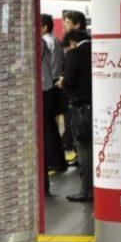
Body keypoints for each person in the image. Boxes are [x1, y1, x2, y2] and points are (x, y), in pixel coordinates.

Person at [58, 13, 93, 204]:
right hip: (97, 106)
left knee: (85, 149)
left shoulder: (74, 54)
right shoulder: (97, 50)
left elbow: (70, 81)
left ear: (71, 43)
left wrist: (63, 82)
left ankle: (87, 190)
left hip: (80, 108)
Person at [39, 14, 65, 189]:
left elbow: (53, 66)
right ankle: (57, 161)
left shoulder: (44, 42)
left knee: (47, 127)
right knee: (50, 127)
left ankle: (53, 162)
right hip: (51, 85)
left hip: (48, 87)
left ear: (45, 27)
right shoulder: (53, 41)